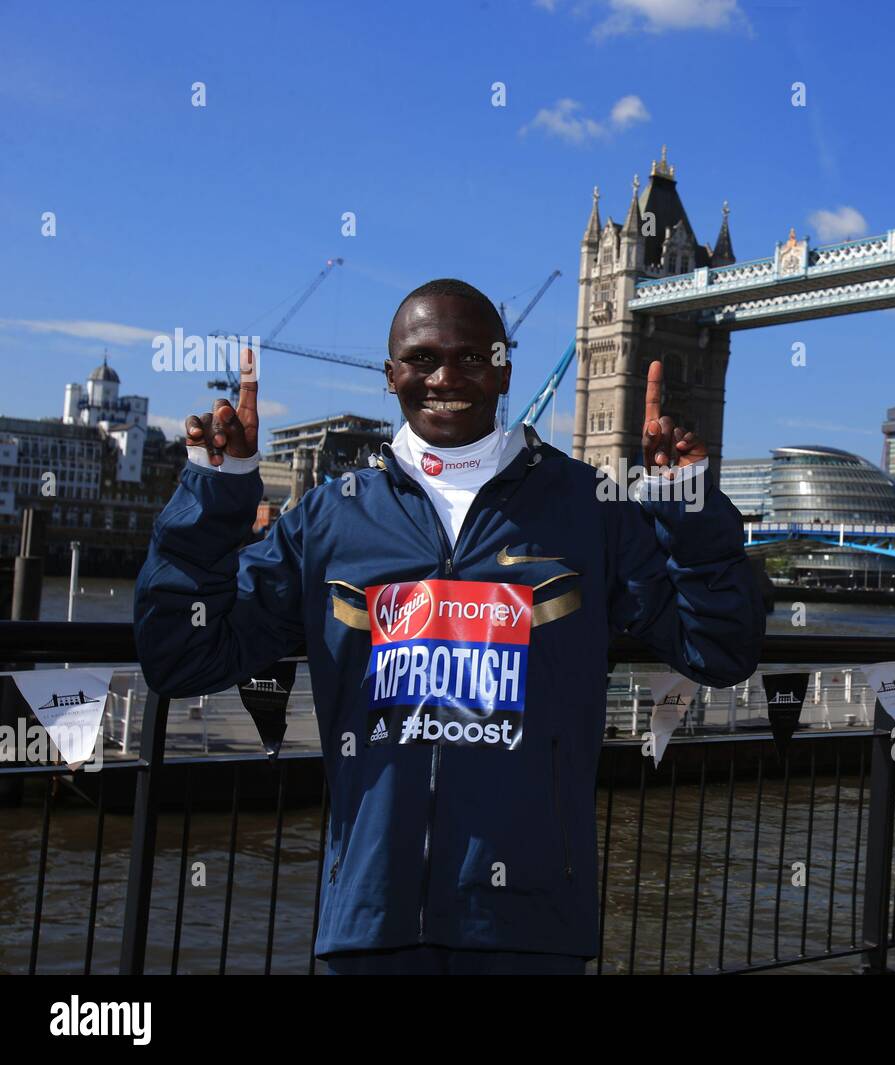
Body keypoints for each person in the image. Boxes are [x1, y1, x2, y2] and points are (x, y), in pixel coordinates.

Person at [134, 278, 765, 975]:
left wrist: (690, 508)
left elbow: (720, 647)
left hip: (530, 925)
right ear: (391, 374)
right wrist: (216, 491)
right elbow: (184, 656)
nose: (445, 378)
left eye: (470, 358)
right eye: (422, 359)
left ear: (505, 369)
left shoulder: (588, 509)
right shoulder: (333, 516)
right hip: (371, 921)